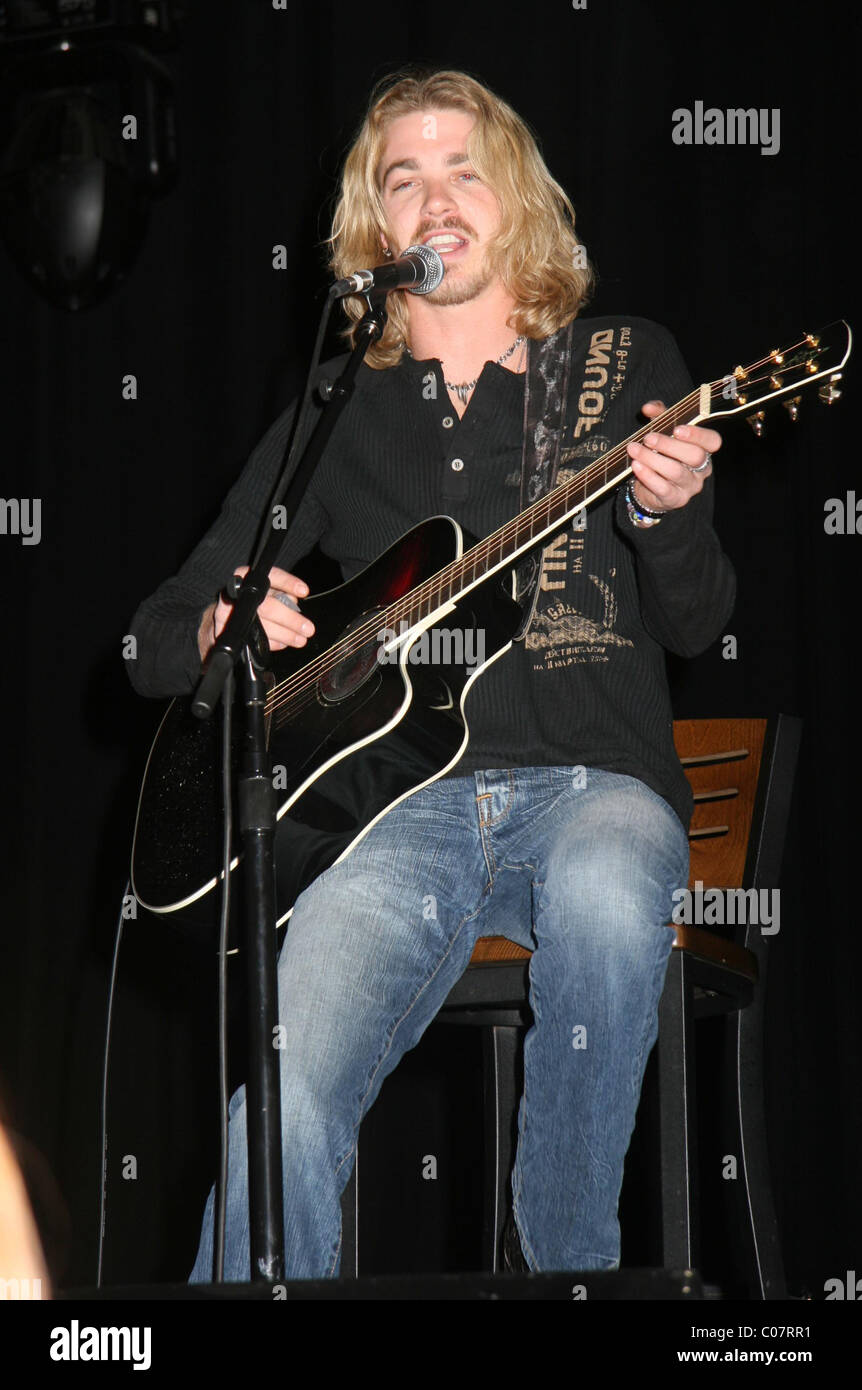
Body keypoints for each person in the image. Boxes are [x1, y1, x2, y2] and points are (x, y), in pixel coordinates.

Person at [127, 68, 735, 1280]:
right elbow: (152, 638)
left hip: (591, 787)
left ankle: (564, 1273)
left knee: (615, 890)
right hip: (394, 821)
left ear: (513, 196)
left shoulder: (620, 360)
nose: (436, 195)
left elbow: (700, 618)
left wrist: (666, 516)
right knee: (287, 1088)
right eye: (403, 178)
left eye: (463, 168)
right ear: (376, 228)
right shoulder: (339, 406)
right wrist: (220, 623)